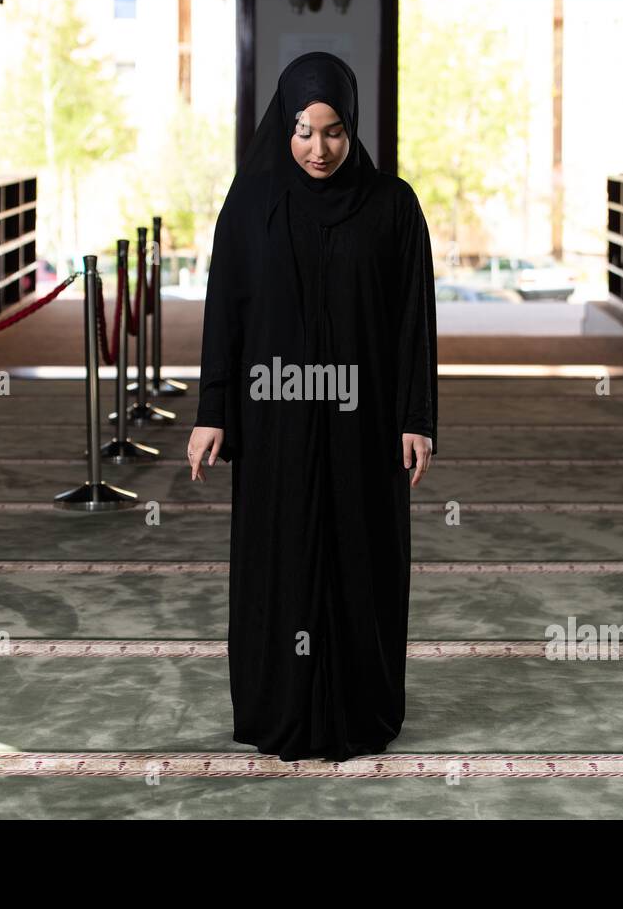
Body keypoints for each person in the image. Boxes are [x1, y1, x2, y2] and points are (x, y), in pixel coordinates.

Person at [186, 51, 437, 762]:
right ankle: (280, 704)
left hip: (365, 427)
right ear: (284, 124)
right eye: (303, 130)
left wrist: (416, 417)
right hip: (275, 423)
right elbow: (224, 310)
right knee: (283, 554)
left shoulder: (393, 206)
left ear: (352, 128)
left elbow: (413, 319)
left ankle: (361, 707)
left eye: (333, 132)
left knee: (361, 554)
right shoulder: (251, 203)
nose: (318, 149)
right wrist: (213, 409)